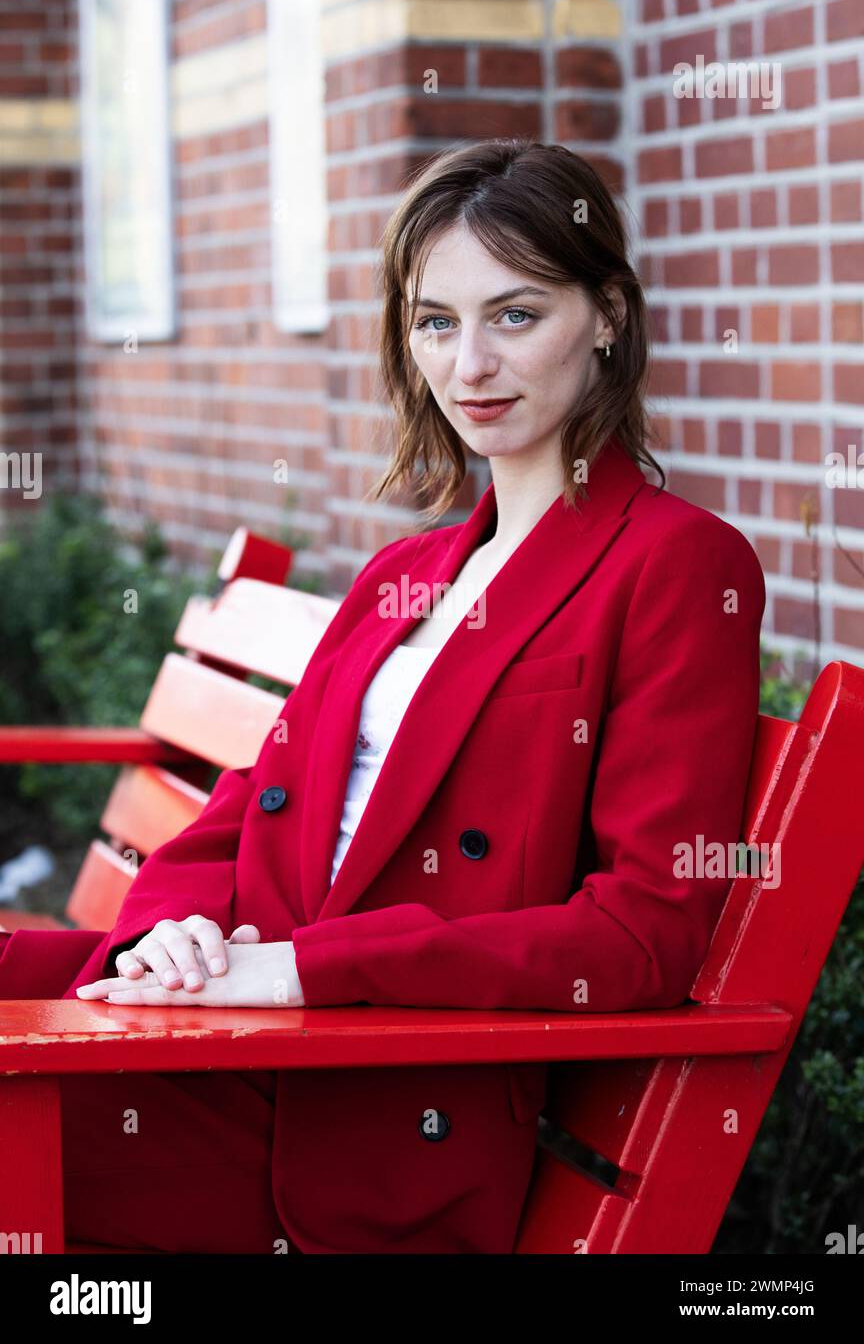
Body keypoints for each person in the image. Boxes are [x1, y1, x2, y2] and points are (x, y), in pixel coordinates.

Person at [0, 138, 765, 1254]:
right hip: (239, 1022)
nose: (470, 367)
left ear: (607, 315)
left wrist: (309, 968)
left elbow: (642, 930)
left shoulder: (678, 564)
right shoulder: (405, 572)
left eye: (515, 315)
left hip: (371, 1102)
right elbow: (250, 803)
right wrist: (168, 925)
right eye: (436, 322)